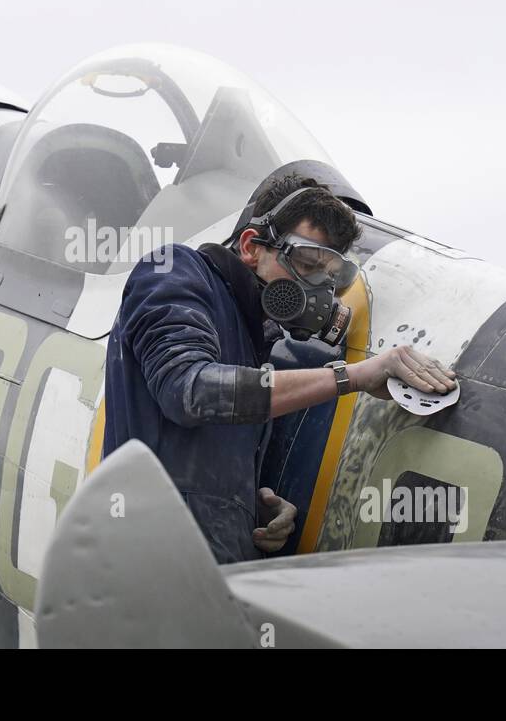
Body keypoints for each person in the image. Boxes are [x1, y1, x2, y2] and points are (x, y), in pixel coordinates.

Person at [101, 170, 457, 564]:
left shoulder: (254, 343)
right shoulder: (175, 271)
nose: (317, 288)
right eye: (306, 264)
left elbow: (185, 461)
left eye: (330, 277)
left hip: (201, 587)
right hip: (144, 576)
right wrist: (351, 375)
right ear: (252, 246)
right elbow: (189, 390)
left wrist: (248, 506)